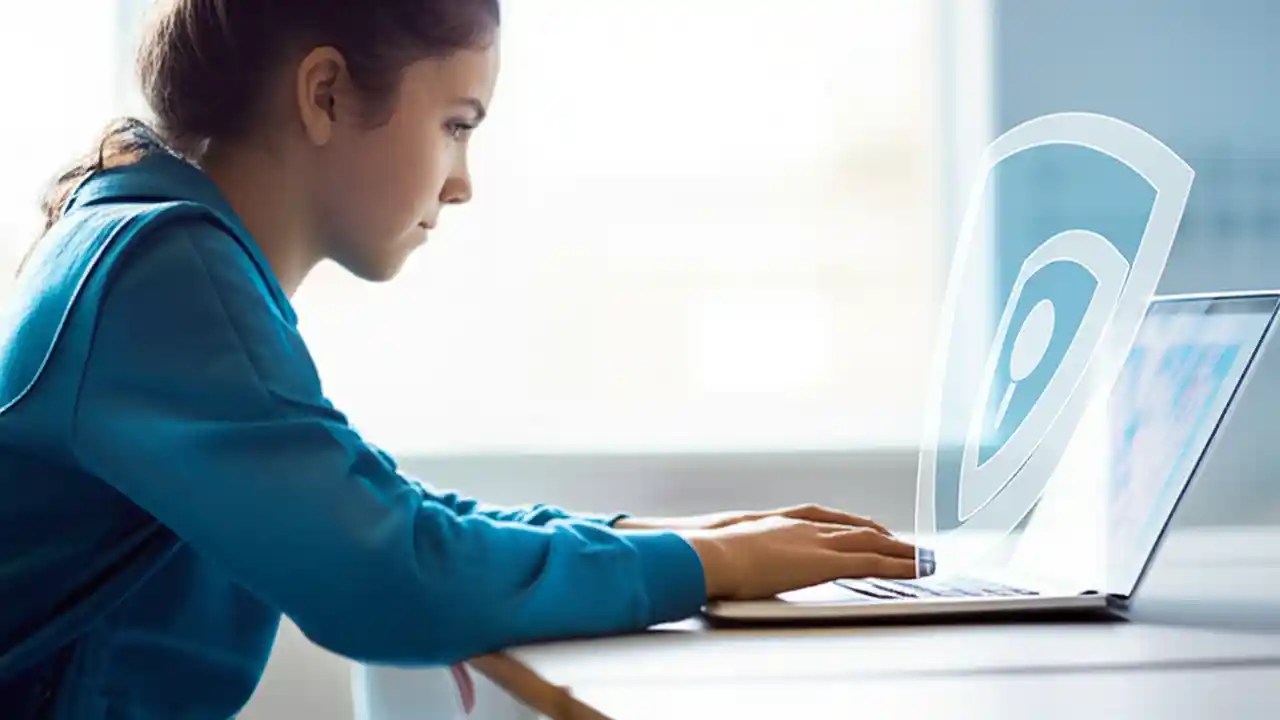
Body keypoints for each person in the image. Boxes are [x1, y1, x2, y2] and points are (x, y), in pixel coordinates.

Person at [0, 1, 924, 717]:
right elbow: (389, 575)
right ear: (324, 94)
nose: (463, 180)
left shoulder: (138, 237)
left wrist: (671, 539)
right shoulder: (163, 268)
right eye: (457, 123)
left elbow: (379, 514)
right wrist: (703, 564)